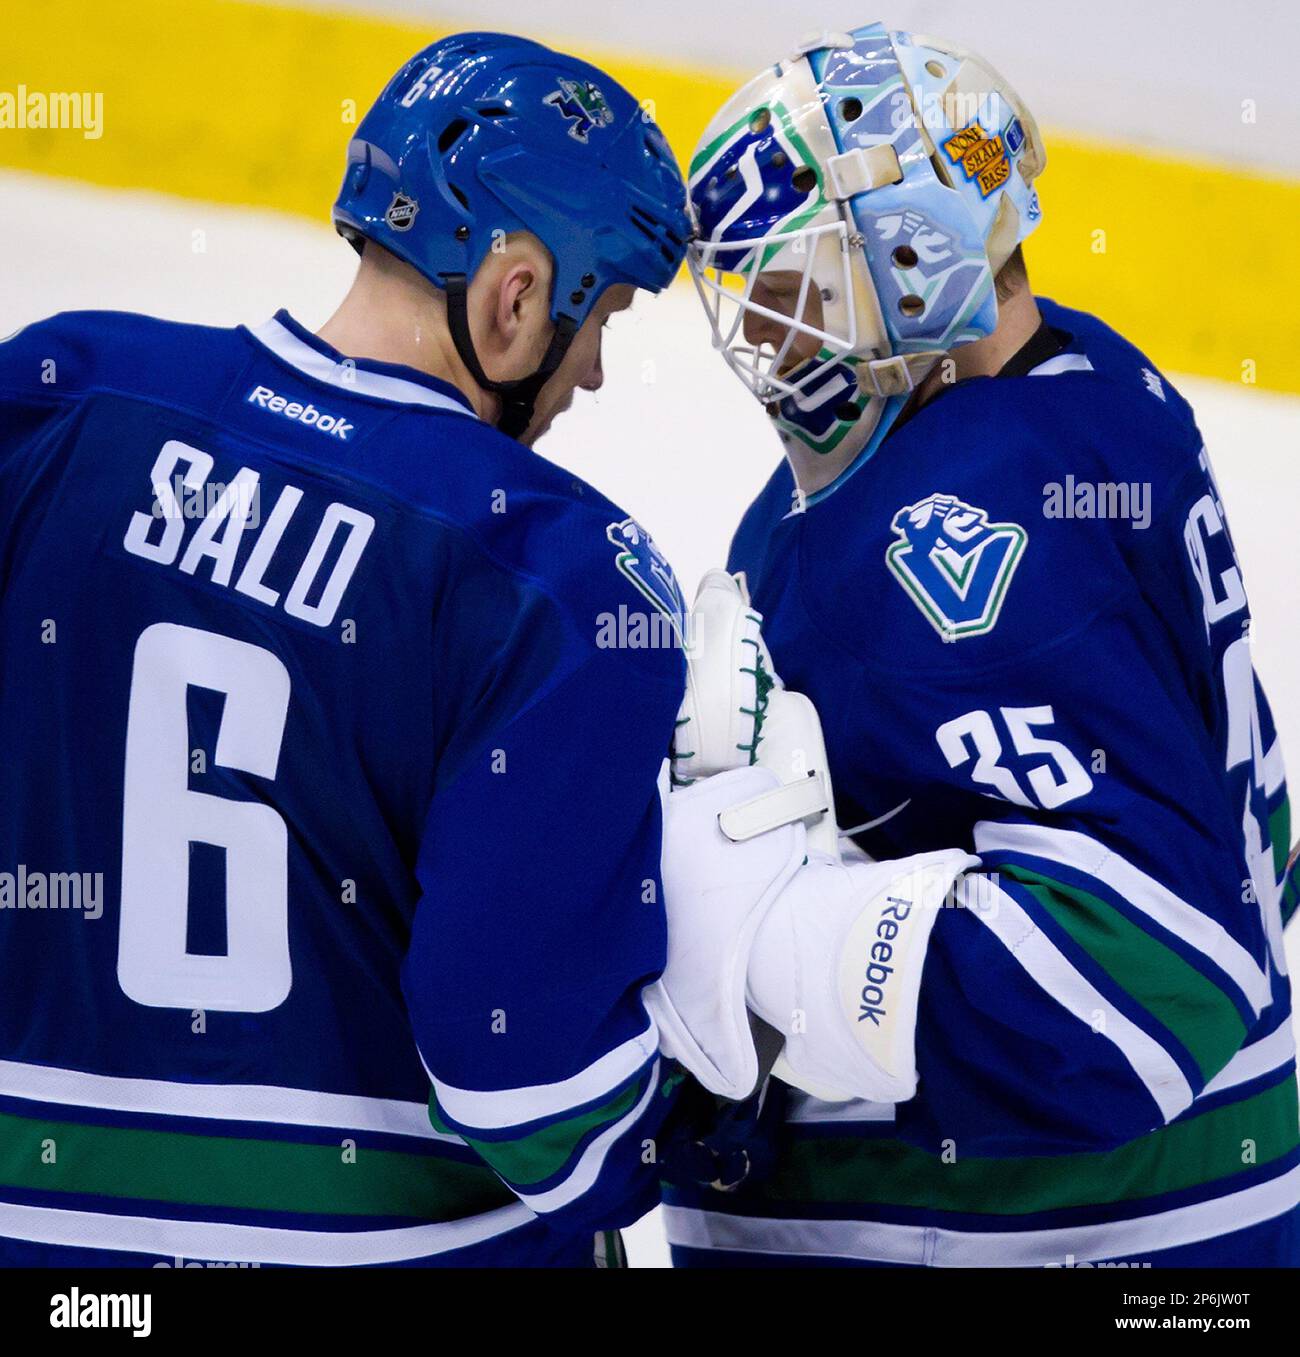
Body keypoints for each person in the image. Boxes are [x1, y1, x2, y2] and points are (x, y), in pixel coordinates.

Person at [0, 32, 692, 1267]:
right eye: (605, 316)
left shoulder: (62, 398)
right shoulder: (554, 574)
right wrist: (711, 1105)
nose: (593, 372)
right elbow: (536, 1099)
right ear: (516, 292)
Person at [656, 21, 1300, 1266]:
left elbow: (1149, 984)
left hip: (1071, 1232)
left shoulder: (957, 520)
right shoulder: (1087, 391)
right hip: (1193, 1207)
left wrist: (768, 932)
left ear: (914, 264)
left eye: (792, 284)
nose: (764, 330)